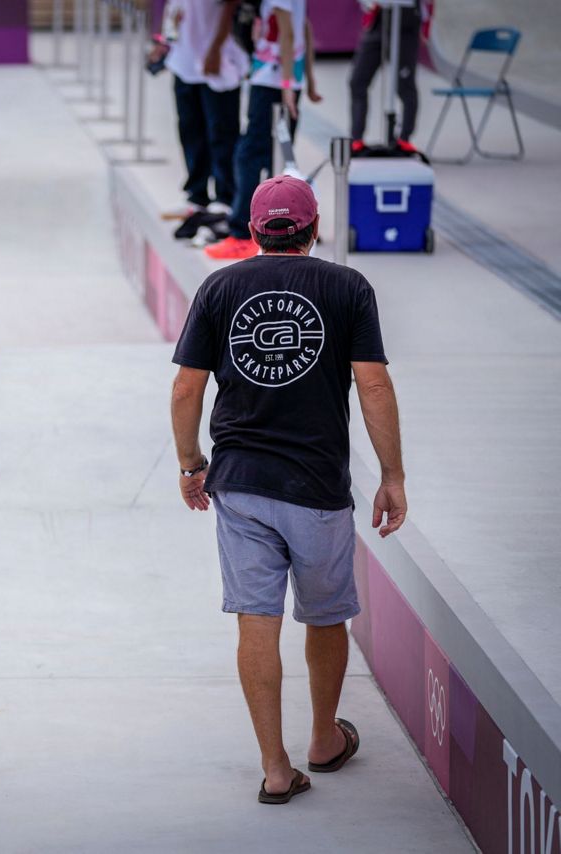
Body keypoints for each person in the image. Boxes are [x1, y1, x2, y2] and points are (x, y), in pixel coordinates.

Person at [169, 176, 407, 804]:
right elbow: (373, 384)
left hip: (241, 483)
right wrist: (392, 477)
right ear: (314, 228)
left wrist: (191, 464)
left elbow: (187, 387)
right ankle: (324, 741)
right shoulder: (348, 288)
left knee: (257, 620)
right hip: (317, 488)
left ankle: (276, 769)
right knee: (325, 617)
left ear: (253, 230)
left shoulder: (220, 287)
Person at [206, 0, 321, 261]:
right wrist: (307, 79)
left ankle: (243, 234)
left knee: (251, 154)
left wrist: (288, 85)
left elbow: (289, 32)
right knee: (272, 157)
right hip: (277, 78)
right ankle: (277, 234)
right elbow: (303, 27)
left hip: (273, 82)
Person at [160, 0, 246, 241]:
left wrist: (216, 49)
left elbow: (231, 5)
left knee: (221, 132)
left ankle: (225, 196)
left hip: (216, 59)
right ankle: (197, 194)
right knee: (190, 130)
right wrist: (165, 43)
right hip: (183, 59)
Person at [348, 1, 433, 154]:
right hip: (380, 16)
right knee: (358, 81)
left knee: (405, 86)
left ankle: (404, 139)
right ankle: (357, 140)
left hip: (405, 19)